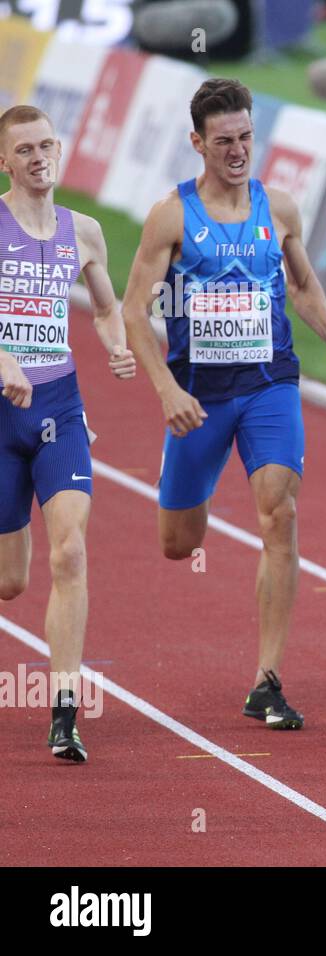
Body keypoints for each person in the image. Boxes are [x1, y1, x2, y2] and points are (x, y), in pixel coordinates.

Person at [121, 79, 326, 730]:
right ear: (197, 142)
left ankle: (267, 680)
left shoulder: (277, 208)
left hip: (268, 383)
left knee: (278, 511)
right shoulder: (171, 215)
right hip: (198, 395)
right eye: (223, 141)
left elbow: (303, 285)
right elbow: (134, 313)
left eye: (247, 138)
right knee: (178, 542)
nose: (238, 151)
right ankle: (182, 493)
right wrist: (166, 391)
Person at [0, 105, 136, 762]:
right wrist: (2, 361)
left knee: (71, 554)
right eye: (23, 149)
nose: (38, 157)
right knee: (10, 581)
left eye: (46, 145)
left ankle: (63, 710)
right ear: (5, 161)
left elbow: (107, 308)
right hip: (1, 413)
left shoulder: (83, 231)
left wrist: (116, 344)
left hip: (59, 406)